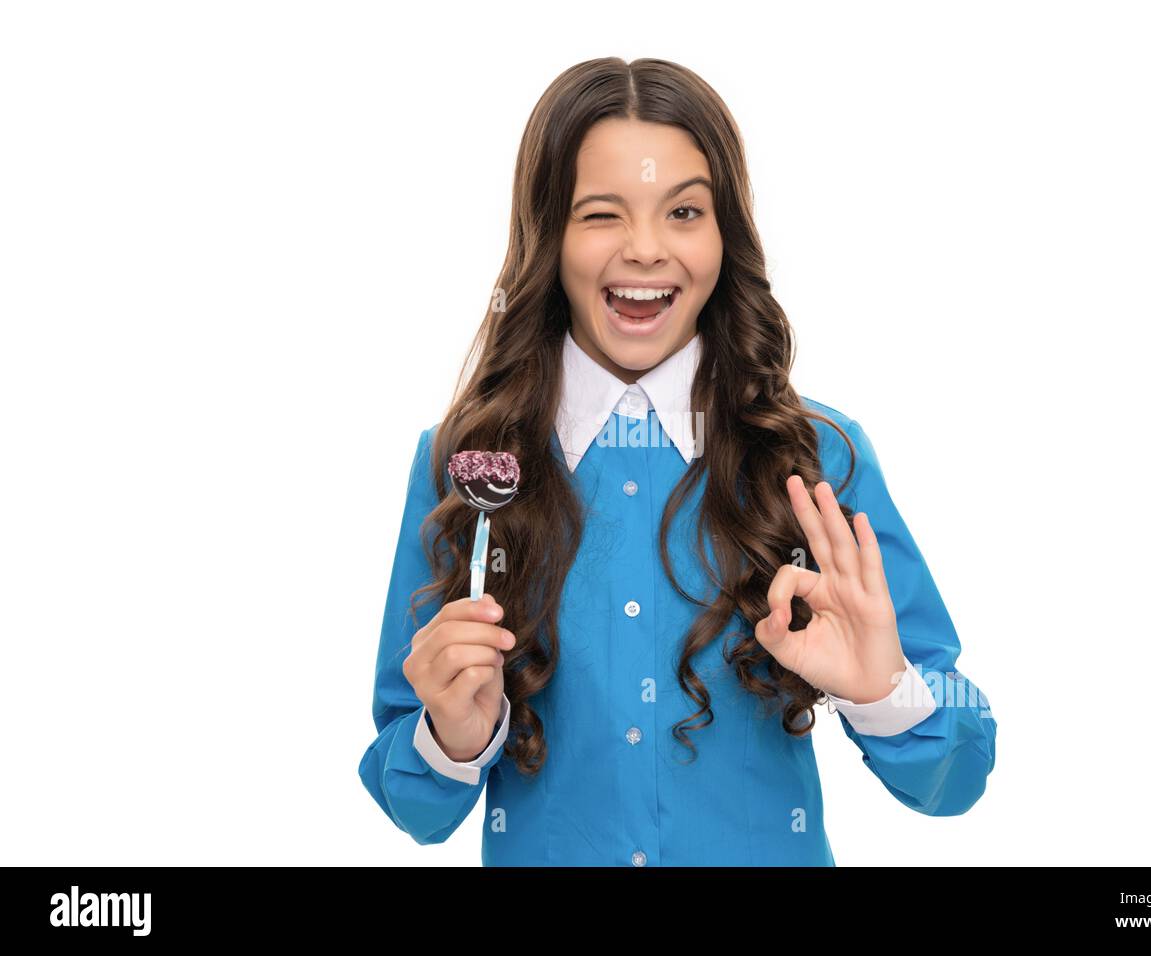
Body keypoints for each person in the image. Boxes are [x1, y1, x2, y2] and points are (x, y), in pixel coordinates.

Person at [358, 57, 997, 866]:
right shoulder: (464, 463)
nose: (647, 249)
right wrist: (452, 735)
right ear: (547, 236)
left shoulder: (820, 459)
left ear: (725, 235)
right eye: (601, 214)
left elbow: (960, 774)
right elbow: (410, 805)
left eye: (684, 211)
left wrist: (883, 693)